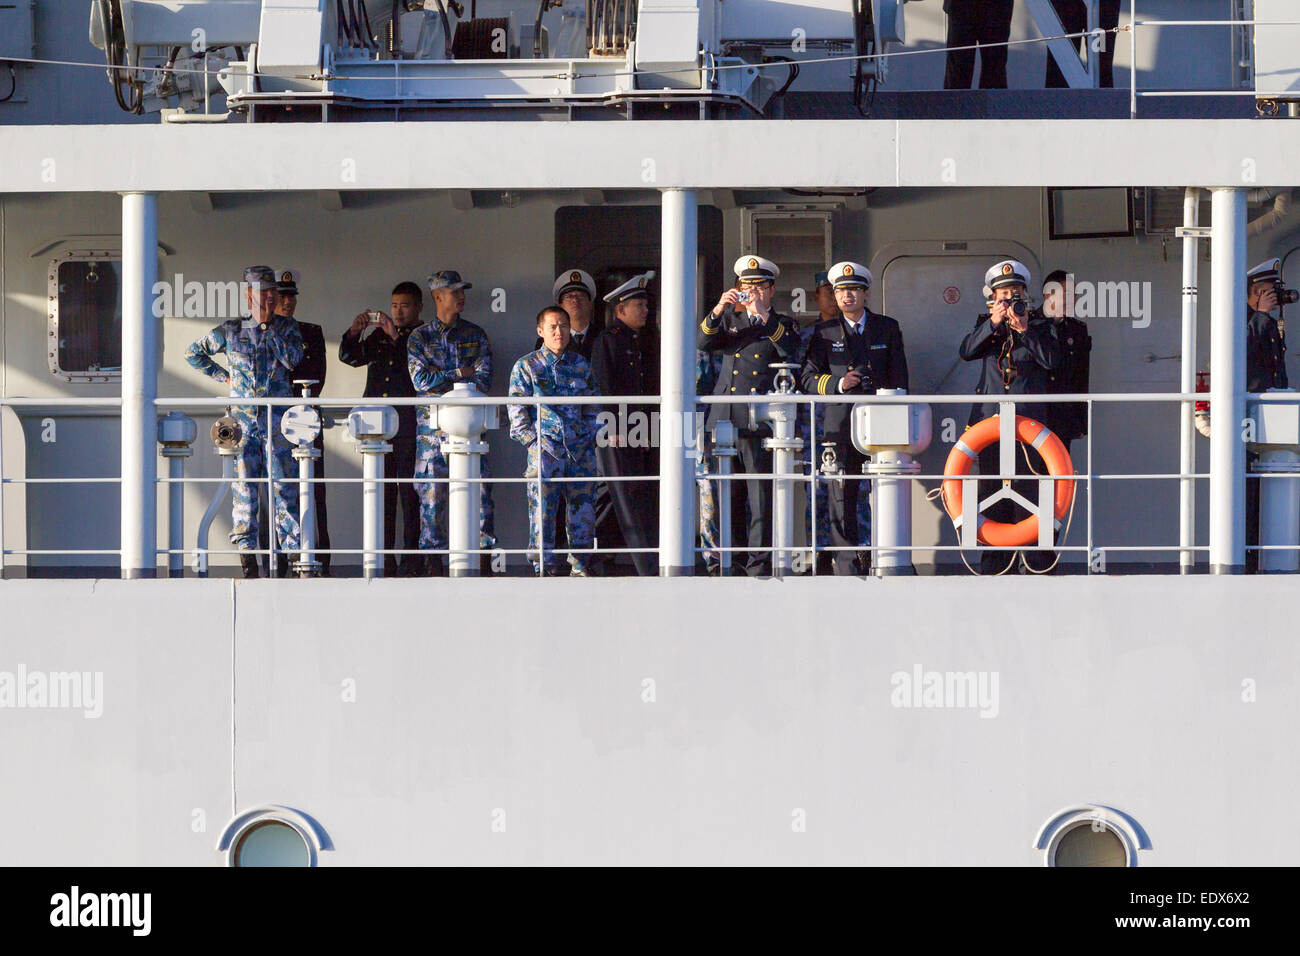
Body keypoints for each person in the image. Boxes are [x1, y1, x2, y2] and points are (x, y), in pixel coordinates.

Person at [185, 265, 304, 579]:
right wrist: (225, 377)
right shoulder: (231, 330)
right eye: (260, 293)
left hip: (279, 423)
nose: (266, 299)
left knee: (284, 490)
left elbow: (293, 360)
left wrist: (270, 329)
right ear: (248, 295)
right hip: (244, 425)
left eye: (270, 293)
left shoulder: (288, 328)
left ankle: (293, 559)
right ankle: (248, 562)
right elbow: (194, 353)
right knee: (245, 492)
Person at [800, 262, 909, 575]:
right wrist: (838, 384)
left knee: (886, 489)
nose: (846, 296)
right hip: (840, 423)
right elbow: (807, 378)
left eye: (852, 290)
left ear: (864, 293)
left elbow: (900, 376)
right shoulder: (824, 332)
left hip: (881, 421)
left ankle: (886, 559)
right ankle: (848, 565)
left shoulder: (887, 327)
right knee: (841, 492)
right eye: (840, 290)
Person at [958, 259, 1062, 574]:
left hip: (1029, 425)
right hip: (989, 425)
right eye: (1003, 293)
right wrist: (993, 323)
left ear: (1025, 295)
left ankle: (1036, 562)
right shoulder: (985, 324)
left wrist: (1025, 331)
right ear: (993, 297)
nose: (1010, 298)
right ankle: (995, 562)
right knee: (992, 490)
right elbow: (966, 352)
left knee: (1031, 490)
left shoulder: (1042, 325)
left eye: (1015, 291)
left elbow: (1052, 362)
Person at [699, 255, 800, 576]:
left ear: (771, 289)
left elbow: (790, 348)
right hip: (724, 421)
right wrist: (718, 309)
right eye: (745, 286)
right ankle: (730, 561)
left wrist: (762, 317)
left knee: (759, 501)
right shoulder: (730, 320)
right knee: (725, 497)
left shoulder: (782, 323)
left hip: (757, 422)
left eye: (758, 286)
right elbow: (703, 341)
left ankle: (758, 564)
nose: (751, 292)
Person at [408, 270, 497, 576]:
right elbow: (420, 381)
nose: (461, 297)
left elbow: (484, 379)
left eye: (463, 291)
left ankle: (483, 562)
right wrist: (459, 373)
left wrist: (444, 377)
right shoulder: (420, 337)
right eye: (454, 292)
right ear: (437, 297)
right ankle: (433, 566)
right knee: (431, 501)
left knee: (481, 497)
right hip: (431, 436)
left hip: (471, 432)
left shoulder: (475, 334)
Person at [339, 281, 426, 576]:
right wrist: (354, 332)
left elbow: (414, 367)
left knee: (411, 494)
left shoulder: (422, 336)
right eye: (394, 306)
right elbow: (349, 358)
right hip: (377, 424)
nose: (398, 312)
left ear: (418, 308)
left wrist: (395, 337)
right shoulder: (377, 335)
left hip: (409, 423)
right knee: (383, 493)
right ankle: (385, 559)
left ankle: (413, 560)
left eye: (404, 306)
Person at [508, 306, 601, 576]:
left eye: (563, 325)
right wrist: (533, 442)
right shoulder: (527, 366)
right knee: (542, 512)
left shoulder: (581, 365)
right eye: (552, 327)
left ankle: (581, 566)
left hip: (580, 450)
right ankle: (543, 568)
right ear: (540, 331)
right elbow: (516, 410)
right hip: (546, 450)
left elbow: (595, 406)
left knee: (583, 510)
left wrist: (587, 436)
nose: (559, 332)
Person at [799, 270, 871, 573]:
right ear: (817, 296)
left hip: (858, 425)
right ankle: (819, 555)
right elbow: (803, 378)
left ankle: (862, 554)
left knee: (860, 492)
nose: (836, 296)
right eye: (828, 291)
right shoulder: (808, 335)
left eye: (840, 289)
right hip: (817, 427)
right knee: (819, 495)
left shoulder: (869, 329)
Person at [1022, 269, 1092, 573]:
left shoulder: (1077, 330)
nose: (1072, 300)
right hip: (1030, 421)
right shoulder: (1030, 323)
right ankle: (1017, 554)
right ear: (1050, 294)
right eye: (1067, 294)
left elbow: (1080, 380)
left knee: (1054, 491)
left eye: (1074, 295)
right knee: (1025, 487)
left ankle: (1042, 557)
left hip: (1061, 422)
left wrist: (1079, 421)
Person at [590, 272, 660, 576]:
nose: (645, 310)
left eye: (646, 304)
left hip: (645, 427)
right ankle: (617, 558)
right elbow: (603, 386)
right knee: (618, 493)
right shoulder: (608, 340)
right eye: (638, 304)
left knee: (639, 491)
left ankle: (641, 557)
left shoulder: (647, 339)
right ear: (621, 309)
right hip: (619, 430)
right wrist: (612, 426)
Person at [275, 268, 332, 575]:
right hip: (276, 423)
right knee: (279, 493)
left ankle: (322, 559)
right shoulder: (263, 334)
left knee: (315, 492)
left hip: (306, 421)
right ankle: (280, 561)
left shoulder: (310, 331)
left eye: (291, 297)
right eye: (282, 297)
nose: (288, 302)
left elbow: (318, 377)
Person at [1244, 258, 1291, 574]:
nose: (1274, 298)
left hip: (1272, 421)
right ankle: (1249, 560)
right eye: (1268, 292)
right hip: (1251, 423)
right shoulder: (1247, 322)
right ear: (1254, 292)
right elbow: (1247, 361)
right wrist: (1262, 316)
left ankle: (1268, 558)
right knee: (1250, 495)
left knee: (1269, 490)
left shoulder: (1265, 322)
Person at [1046, 0, 1122, 89]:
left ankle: (1101, 100)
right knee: (1060, 63)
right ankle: (1056, 101)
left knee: (1101, 63)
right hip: (1065, 4)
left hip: (1102, 5)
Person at [943, 0, 1015, 90]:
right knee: (958, 70)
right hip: (961, 8)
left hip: (997, 9)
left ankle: (991, 102)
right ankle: (955, 102)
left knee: (994, 69)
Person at [536, 269, 601, 360]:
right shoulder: (548, 340)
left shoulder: (604, 337)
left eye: (580, 296)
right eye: (569, 297)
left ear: (591, 303)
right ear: (560, 305)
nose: (575, 300)